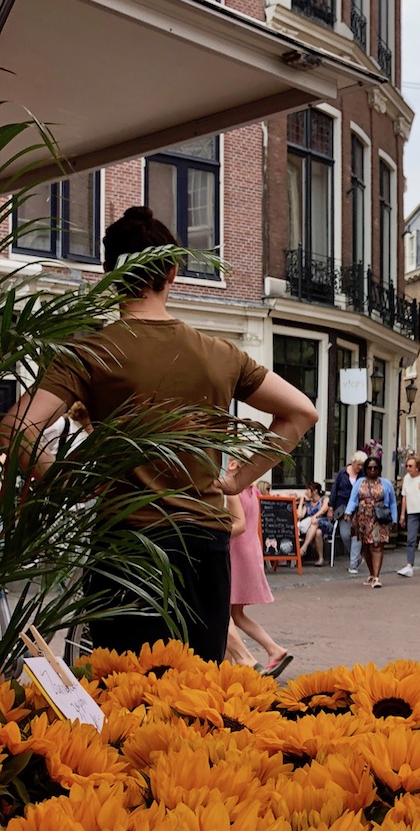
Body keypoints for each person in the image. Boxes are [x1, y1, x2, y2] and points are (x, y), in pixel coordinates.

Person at [2, 206, 316, 663]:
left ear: (111, 274)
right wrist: (237, 480)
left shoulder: (91, 351)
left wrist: (66, 484)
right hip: (202, 544)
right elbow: (301, 412)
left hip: (125, 545)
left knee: (125, 691)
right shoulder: (219, 354)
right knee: (201, 693)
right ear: (171, 271)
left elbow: (15, 428)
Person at [223, 461, 291, 676]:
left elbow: (238, 526)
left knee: (224, 614)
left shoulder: (233, 492)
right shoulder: (252, 490)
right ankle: (274, 649)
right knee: (235, 615)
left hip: (237, 553)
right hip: (251, 551)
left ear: (233, 464)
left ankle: (234, 664)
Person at [344, 455, 397, 587]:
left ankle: (377, 577)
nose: (372, 470)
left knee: (377, 545)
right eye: (369, 468)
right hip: (362, 518)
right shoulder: (360, 482)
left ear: (379, 469)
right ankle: (372, 573)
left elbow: (392, 503)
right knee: (367, 547)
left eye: (375, 468)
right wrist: (348, 512)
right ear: (366, 470)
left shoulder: (386, 483)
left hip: (379, 517)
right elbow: (353, 499)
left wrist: (395, 519)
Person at [329, 450, 368, 574]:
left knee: (356, 535)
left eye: (362, 465)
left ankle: (353, 565)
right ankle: (357, 557)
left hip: (358, 509)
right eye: (359, 464)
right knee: (345, 535)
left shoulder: (363, 475)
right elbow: (334, 490)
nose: (360, 467)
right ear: (353, 462)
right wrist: (331, 506)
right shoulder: (342, 473)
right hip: (343, 507)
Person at [297, 481, 332, 566]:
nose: (306, 492)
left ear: (315, 491)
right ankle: (320, 558)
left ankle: (304, 547)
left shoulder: (324, 499)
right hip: (312, 528)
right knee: (318, 532)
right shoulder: (308, 504)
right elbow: (299, 515)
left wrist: (315, 516)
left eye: (308, 490)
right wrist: (301, 501)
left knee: (315, 522)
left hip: (324, 523)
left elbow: (323, 509)